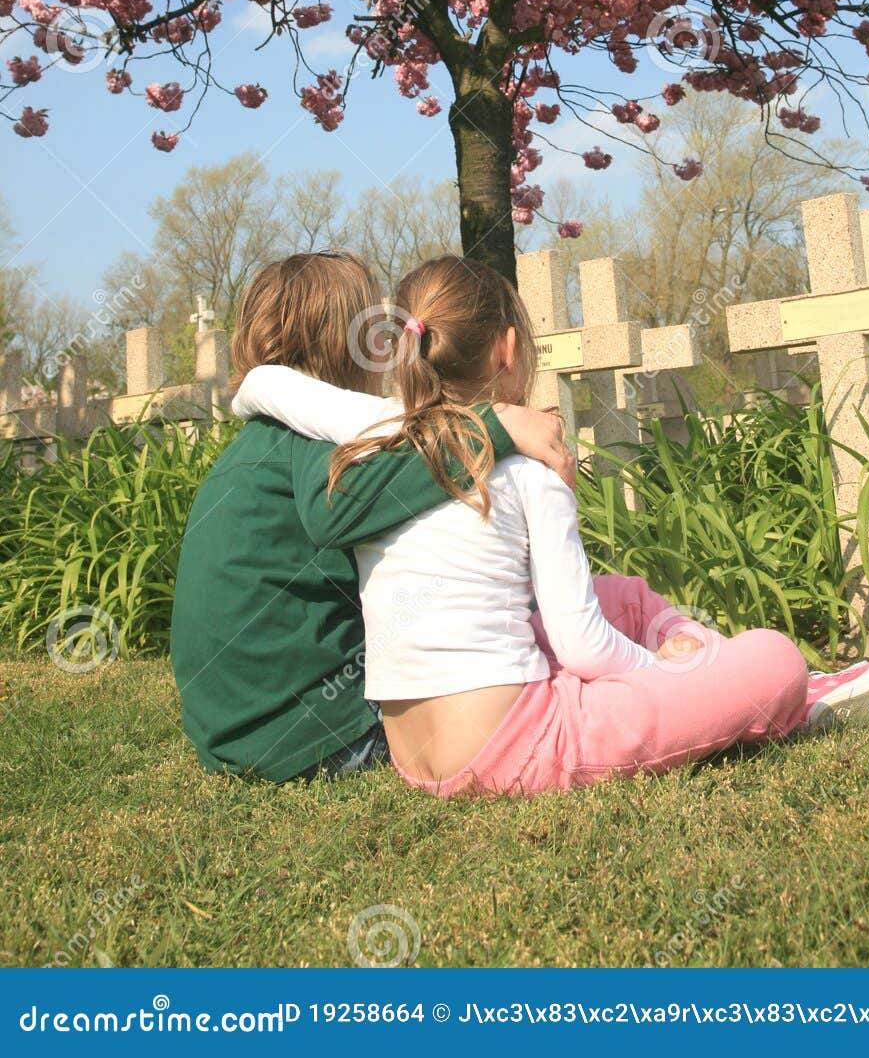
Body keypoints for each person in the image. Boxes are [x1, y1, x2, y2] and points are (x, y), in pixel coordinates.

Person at [232, 255, 869, 797]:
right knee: (774, 659)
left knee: (623, 594)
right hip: (507, 744)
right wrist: (654, 677)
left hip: (414, 752)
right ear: (506, 351)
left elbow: (270, 384)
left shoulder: (380, 443)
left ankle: (725, 669)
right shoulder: (530, 467)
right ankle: (788, 689)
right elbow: (582, 646)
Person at [170, 251, 573, 783]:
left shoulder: (262, 440)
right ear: (349, 345)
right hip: (308, 738)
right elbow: (336, 513)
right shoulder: (314, 441)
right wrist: (489, 431)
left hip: (236, 732)